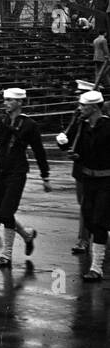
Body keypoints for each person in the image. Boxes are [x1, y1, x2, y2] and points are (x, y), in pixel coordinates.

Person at [0, 87, 50, 269]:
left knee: (6, 212)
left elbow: (39, 151)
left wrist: (45, 176)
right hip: (0, 171)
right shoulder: (1, 120)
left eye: (9, 100)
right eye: (5, 99)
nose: (5, 103)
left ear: (19, 102)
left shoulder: (29, 125)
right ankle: (27, 235)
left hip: (17, 172)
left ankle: (6, 256)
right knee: (1, 212)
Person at [57, 88, 110, 282]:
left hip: (106, 181)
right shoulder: (82, 126)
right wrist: (64, 144)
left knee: (99, 222)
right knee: (89, 218)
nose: (80, 109)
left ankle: (96, 268)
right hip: (88, 179)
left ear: (95, 107)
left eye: (83, 106)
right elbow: (71, 145)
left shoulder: (107, 127)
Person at [65, 79, 99, 256]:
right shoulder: (77, 116)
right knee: (84, 203)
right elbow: (70, 138)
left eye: (80, 98)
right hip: (81, 167)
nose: (77, 102)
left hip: (100, 168)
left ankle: (85, 238)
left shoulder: (102, 118)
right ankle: (85, 237)